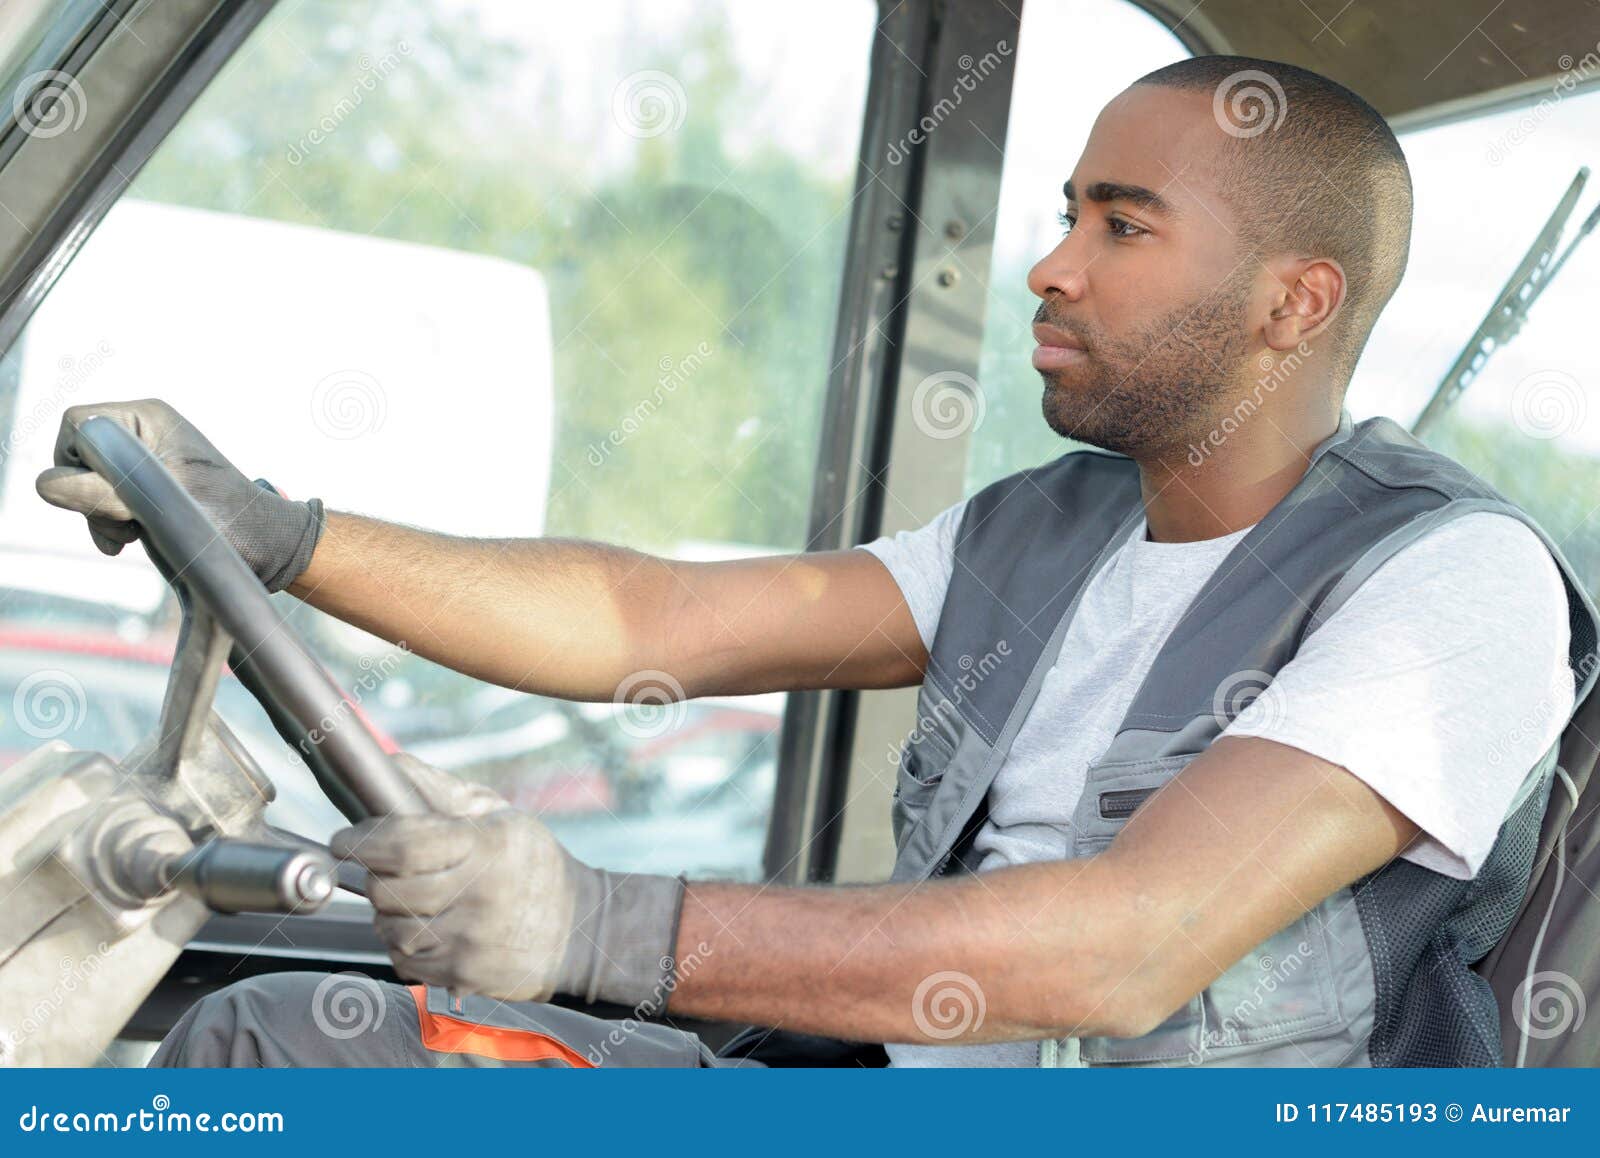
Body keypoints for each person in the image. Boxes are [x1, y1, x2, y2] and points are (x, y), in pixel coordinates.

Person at [38, 54, 1598, 1068]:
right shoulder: (1044, 527)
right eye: (1068, 215)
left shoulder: (1450, 579)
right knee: (275, 1042)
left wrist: (596, 924)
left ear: (1294, 302)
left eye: (1122, 228)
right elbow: (649, 618)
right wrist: (280, 531)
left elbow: (1134, 943)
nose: (1049, 265)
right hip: (864, 1082)